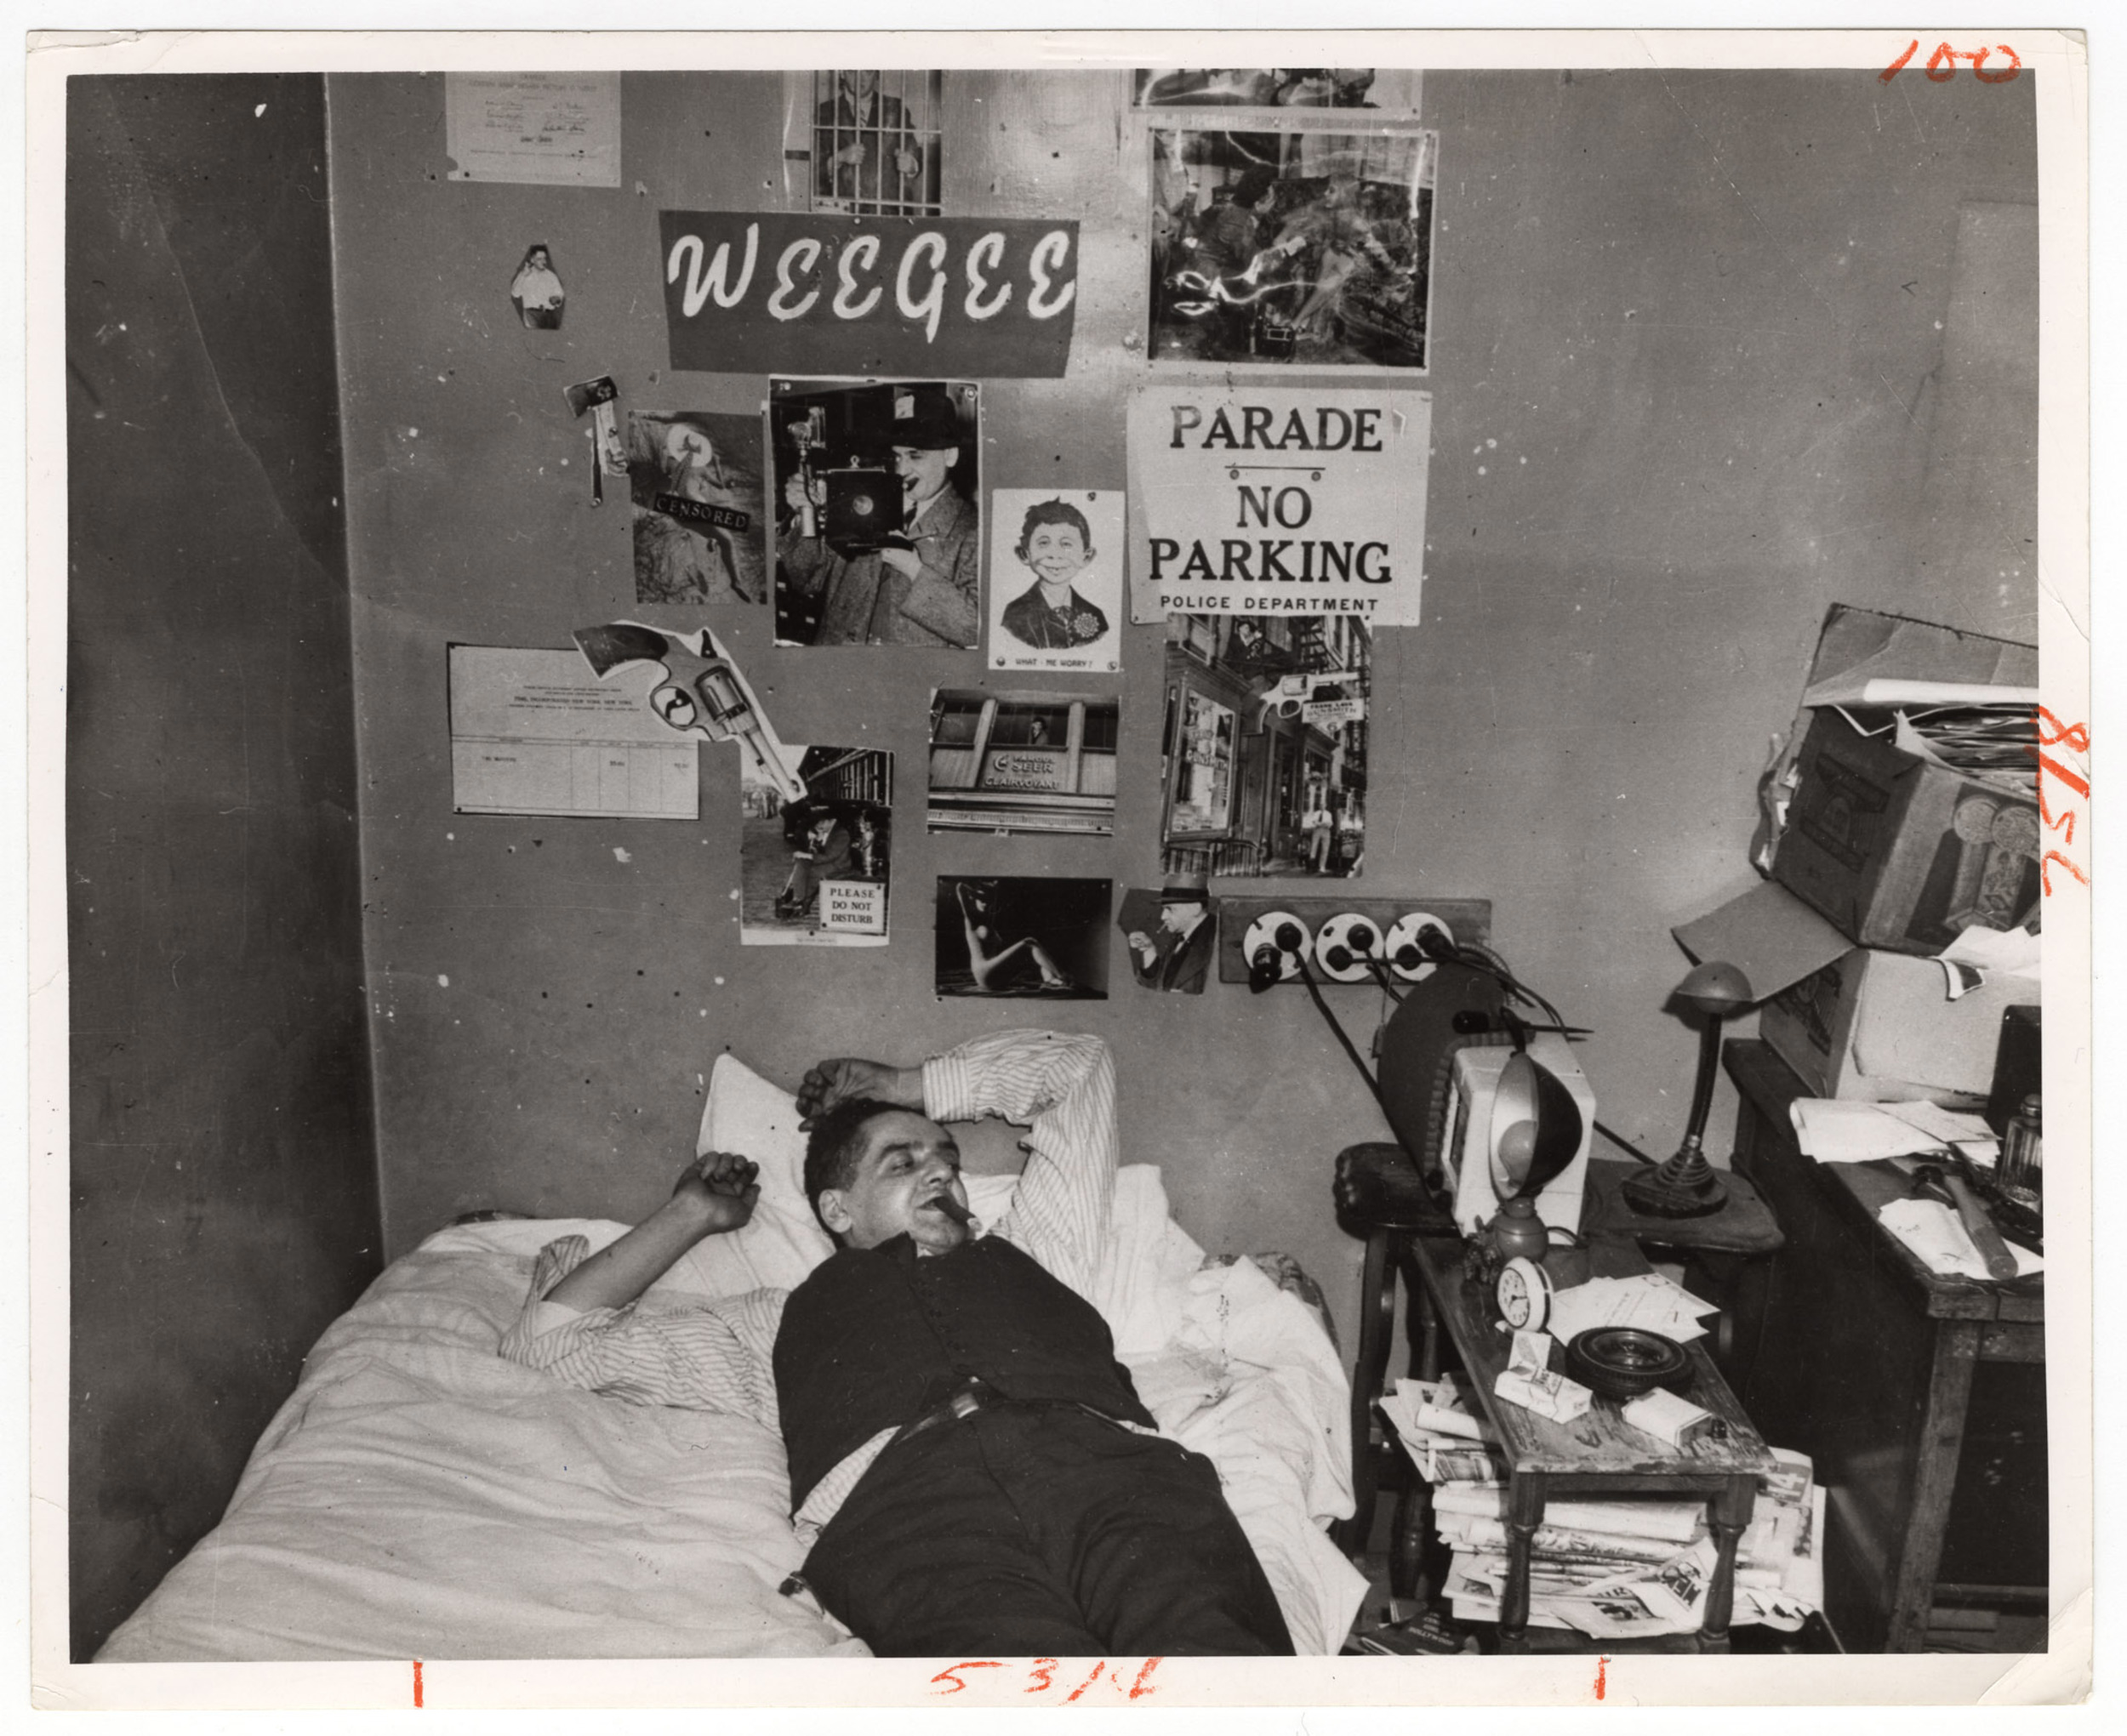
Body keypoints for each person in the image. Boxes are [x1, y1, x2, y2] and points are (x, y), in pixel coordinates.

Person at [498, 1029, 1294, 1657]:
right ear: (837, 1210)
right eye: (902, 1162)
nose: (942, 1174)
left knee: (1213, 1666)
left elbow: (1079, 1070)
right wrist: (693, 1213)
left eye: (947, 1159)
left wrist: (903, 1085)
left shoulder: (1037, 1250)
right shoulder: (782, 1322)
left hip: (1112, 1470)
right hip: (911, 1512)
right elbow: (553, 1343)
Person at [780, 396, 979, 647]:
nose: (902, 470)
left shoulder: (973, 530)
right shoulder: (864, 499)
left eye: (915, 456)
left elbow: (974, 628)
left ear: (949, 455)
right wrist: (803, 511)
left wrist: (914, 570)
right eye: (897, 457)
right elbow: (807, 579)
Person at [633, 415, 761, 606]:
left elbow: (678, 486)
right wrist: (718, 468)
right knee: (726, 540)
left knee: (722, 537)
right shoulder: (694, 468)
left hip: (682, 511)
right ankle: (735, 581)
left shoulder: (679, 465)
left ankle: (727, 568)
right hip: (694, 509)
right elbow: (718, 485)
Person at [997, 500, 1110, 652]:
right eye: (1044, 543)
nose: (1055, 555)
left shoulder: (1095, 614)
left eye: (1066, 544)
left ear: (1086, 557)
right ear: (1024, 554)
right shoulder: (1015, 614)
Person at [814, 70, 922, 210]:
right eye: (852, 71)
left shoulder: (895, 108)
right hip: (843, 210)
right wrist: (840, 157)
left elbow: (915, 154)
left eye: (868, 71)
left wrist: (911, 165)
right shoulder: (826, 111)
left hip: (888, 211)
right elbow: (816, 168)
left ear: (877, 74)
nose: (860, 78)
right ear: (842, 73)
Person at [955, 880, 1074, 993]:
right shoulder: (971, 918)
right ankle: (1064, 978)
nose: (985, 903)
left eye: (987, 900)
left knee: (1041, 955)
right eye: (981, 900)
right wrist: (983, 891)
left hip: (994, 974)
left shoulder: (988, 920)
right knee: (1029, 942)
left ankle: (1052, 981)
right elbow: (960, 887)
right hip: (984, 972)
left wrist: (989, 893)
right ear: (974, 900)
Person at [1125, 874, 1216, 995]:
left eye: (1170, 909)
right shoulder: (1182, 936)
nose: (1163, 917)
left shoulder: (1216, 939)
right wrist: (1148, 949)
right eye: (1164, 909)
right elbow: (1161, 985)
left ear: (1195, 908)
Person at [777, 810, 853, 920]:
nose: (818, 825)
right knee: (801, 862)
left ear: (832, 821)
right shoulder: (825, 830)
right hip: (826, 862)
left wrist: (807, 855)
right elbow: (818, 853)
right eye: (818, 822)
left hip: (838, 865)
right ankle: (798, 899)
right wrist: (816, 842)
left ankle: (804, 904)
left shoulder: (841, 834)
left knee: (813, 872)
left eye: (822, 822)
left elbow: (830, 856)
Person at [509, 244, 565, 329]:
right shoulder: (525, 274)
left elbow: (559, 293)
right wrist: (523, 276)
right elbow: (515, 294)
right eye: (539, 259)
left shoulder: (551, 276)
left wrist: (557, 299)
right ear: (532, 260)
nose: (543, 262)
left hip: (549, 315)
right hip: (531, 315)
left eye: (544, 258)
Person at [1303, 796, 1334, 874]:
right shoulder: (1316, 813)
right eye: (1321, 805)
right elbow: (1314, 822)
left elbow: (1330, 824)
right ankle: (1311, 865)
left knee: (1325, 849)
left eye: (1323, 804)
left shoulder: (1328, 814)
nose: (1322, 806)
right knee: (1314, 847)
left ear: (1326, 805)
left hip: (1326, 831)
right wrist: (1321, 824)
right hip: (1317, 830)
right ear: (1319, 806)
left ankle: (1322, 866)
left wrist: (1322, 824)